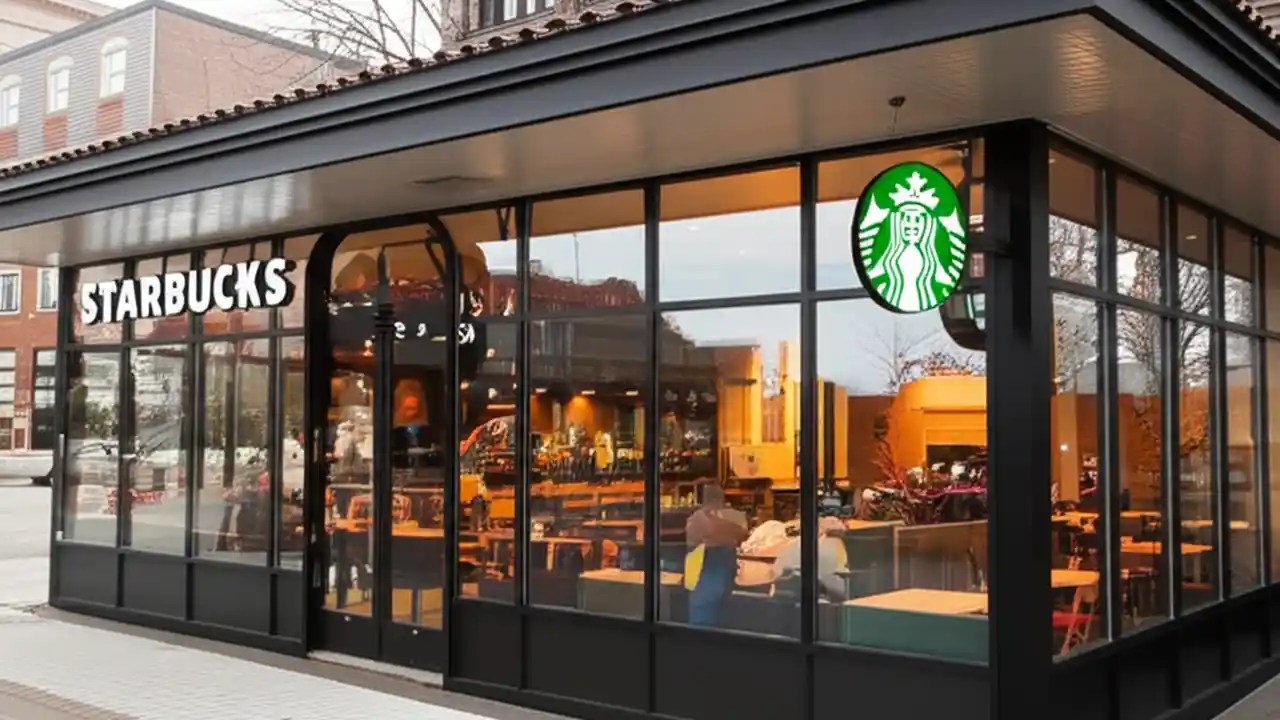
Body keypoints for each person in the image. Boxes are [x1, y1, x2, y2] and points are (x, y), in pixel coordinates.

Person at [685, 484, 748, 627]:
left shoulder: (697, 518)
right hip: (722, 571)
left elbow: (691, 541)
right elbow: (743, 535)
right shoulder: (735, 516)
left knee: (703, 618)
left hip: (707, 574)